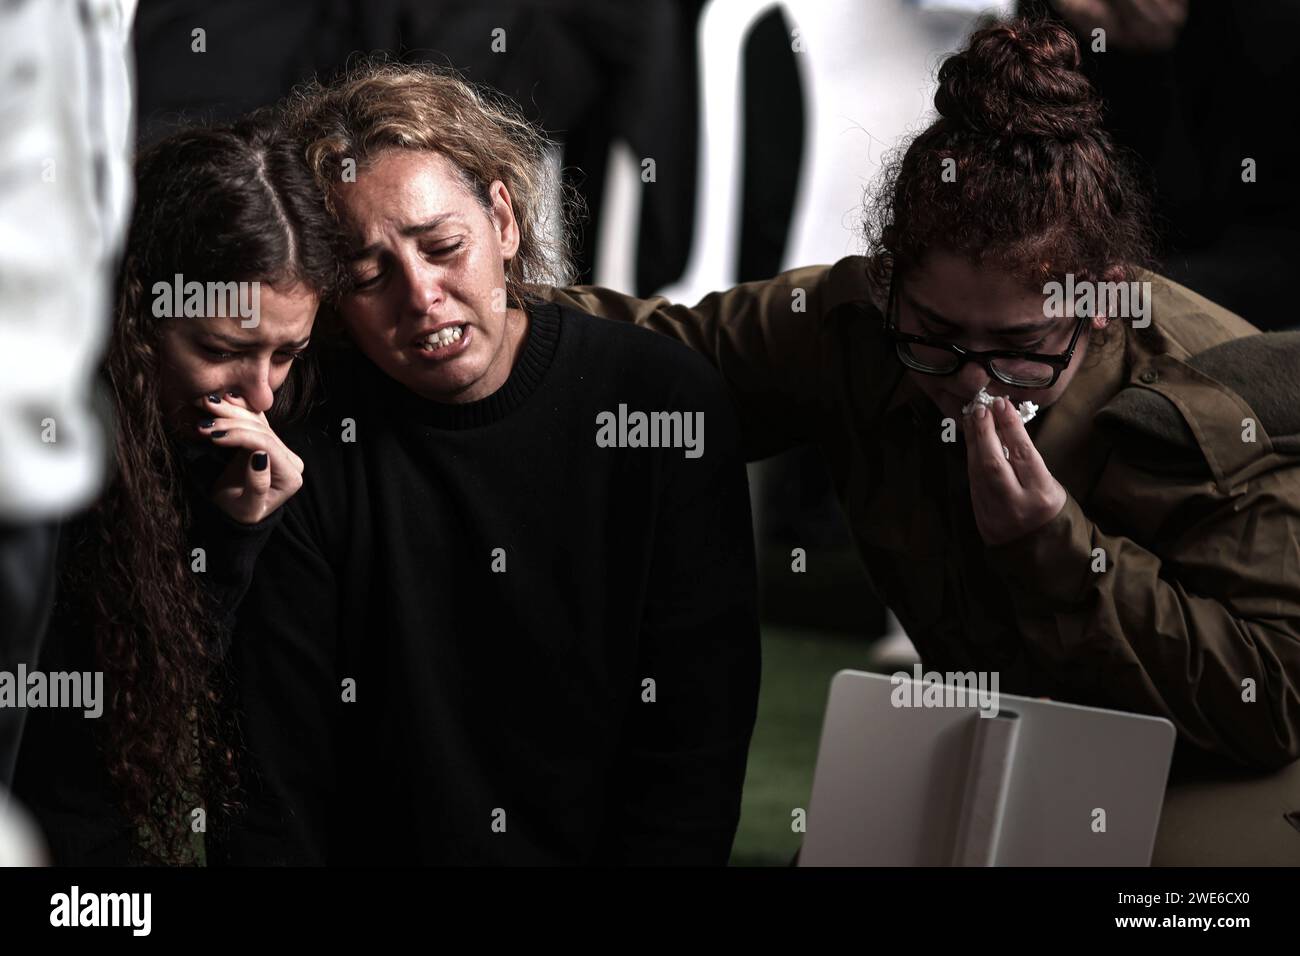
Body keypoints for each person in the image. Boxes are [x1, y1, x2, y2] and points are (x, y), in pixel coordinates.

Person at [545, 19, 1300, 864]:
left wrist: (1061, 554)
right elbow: (649, 355)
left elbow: (1269, 698)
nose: (972, 385)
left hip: (1230, 759)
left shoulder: (1216, 396)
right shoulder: (858, 326)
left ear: (1102, 301)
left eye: (1019, 351)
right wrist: (465, 304)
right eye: (935, 336)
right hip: (1015, 727)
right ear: (889, 275)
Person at [208, 63, 761, 866]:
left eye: (444, 247)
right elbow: (277, 785)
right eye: (367, 276)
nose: (422, 296)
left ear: (502, 218)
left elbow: (693, 747)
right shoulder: (309, 447)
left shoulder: (661, 402)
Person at [10, 113, 339, 865]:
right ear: (139, 314)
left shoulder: (260, 447)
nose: (260, 394)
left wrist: (231, 535)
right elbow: (76, 752)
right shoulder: (47, 445)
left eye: (288, 354)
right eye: (223, 351)